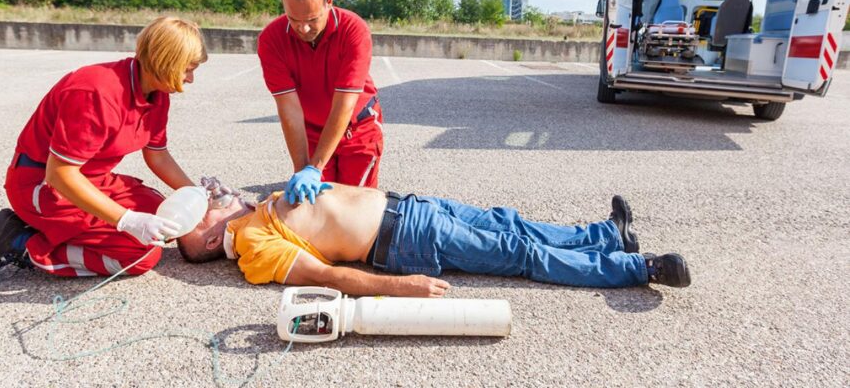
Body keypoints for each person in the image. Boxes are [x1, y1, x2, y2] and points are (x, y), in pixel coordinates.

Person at [0, 16, 208, 294]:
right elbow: (59, 173)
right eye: (187, 69)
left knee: (163, 218)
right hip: (43, 186)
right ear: (164, 61)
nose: (190, 79)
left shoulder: (156, 93)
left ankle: (52, 231)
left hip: (90, 178)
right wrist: (127, 220)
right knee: (140, 255)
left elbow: (158, 155)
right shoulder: (96, 91)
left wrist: (197, 193)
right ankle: (23, 243)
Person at [177, 183, 691, 297]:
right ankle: (639, 269)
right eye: (198, 213)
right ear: (205, 241)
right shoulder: (253, 248)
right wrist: (402, 289)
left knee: (510, 223)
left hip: (411, 208)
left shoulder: (252, 211)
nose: (205, 200)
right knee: (519, 254)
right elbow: (328, 277)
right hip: (403, 240)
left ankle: (606, 235)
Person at [257, 0, 383, 205]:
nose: (303, 29)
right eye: (294, 19)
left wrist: (315, 167)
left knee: (355, 206)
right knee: (316, 206)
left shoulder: (353, 29)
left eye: (312, 20)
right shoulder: (271, 39)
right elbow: (289, 110)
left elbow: (344, 105)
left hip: (357, 128)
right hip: (311, 131)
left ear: (329, 2)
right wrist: (302, 169)